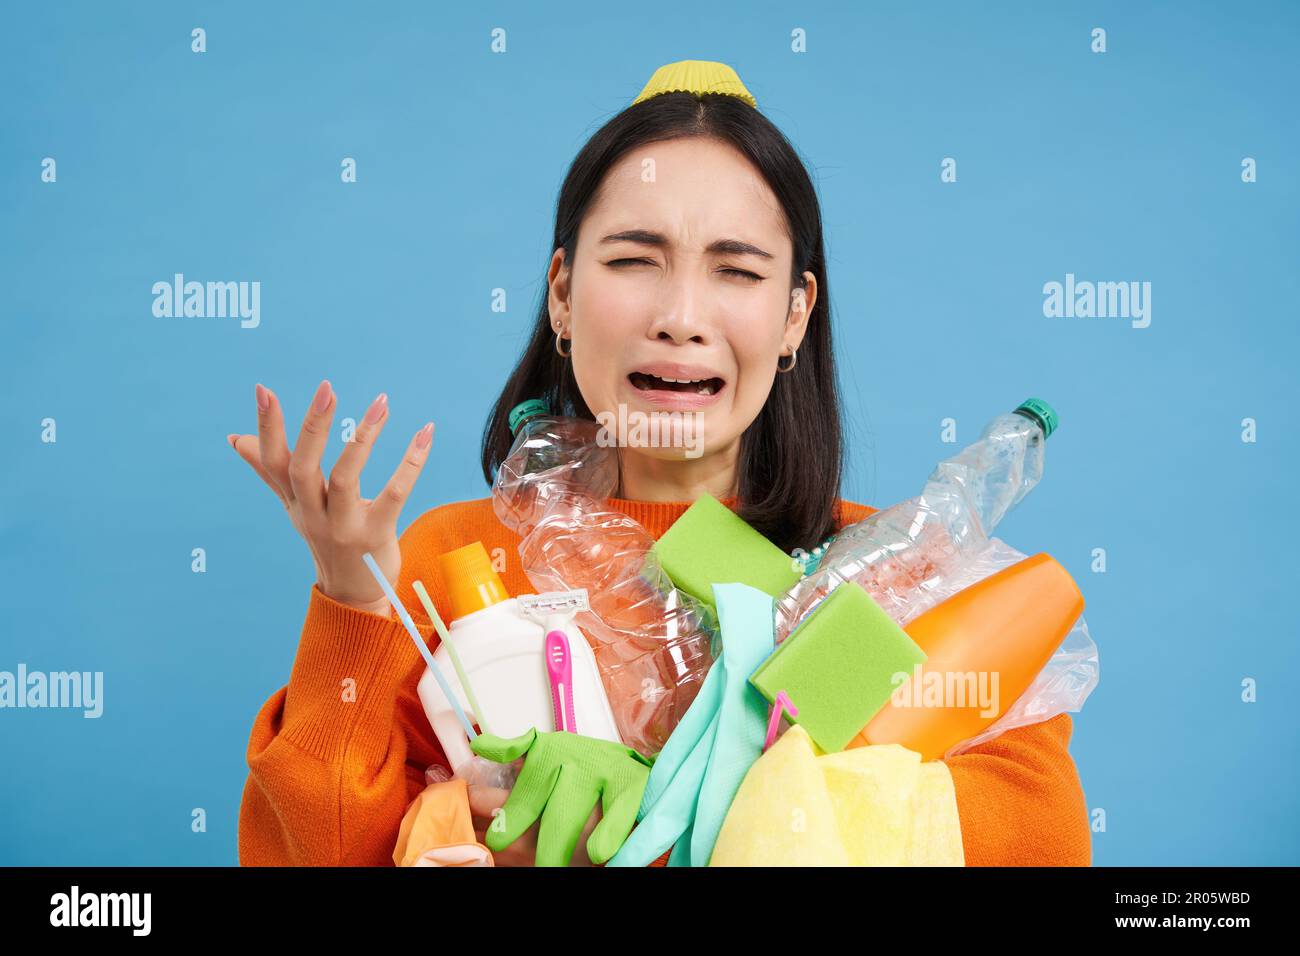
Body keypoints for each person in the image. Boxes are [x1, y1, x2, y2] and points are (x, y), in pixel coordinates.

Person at [229, 60, 1091, 867]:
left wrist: (676, 808)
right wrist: (352, 597)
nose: (681, 315)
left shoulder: (898, 578)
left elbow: (1040, 833)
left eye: (736, 271)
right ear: (562, 294)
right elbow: (315, 850)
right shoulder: (450, 564)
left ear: (795, 316)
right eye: (636, 260)